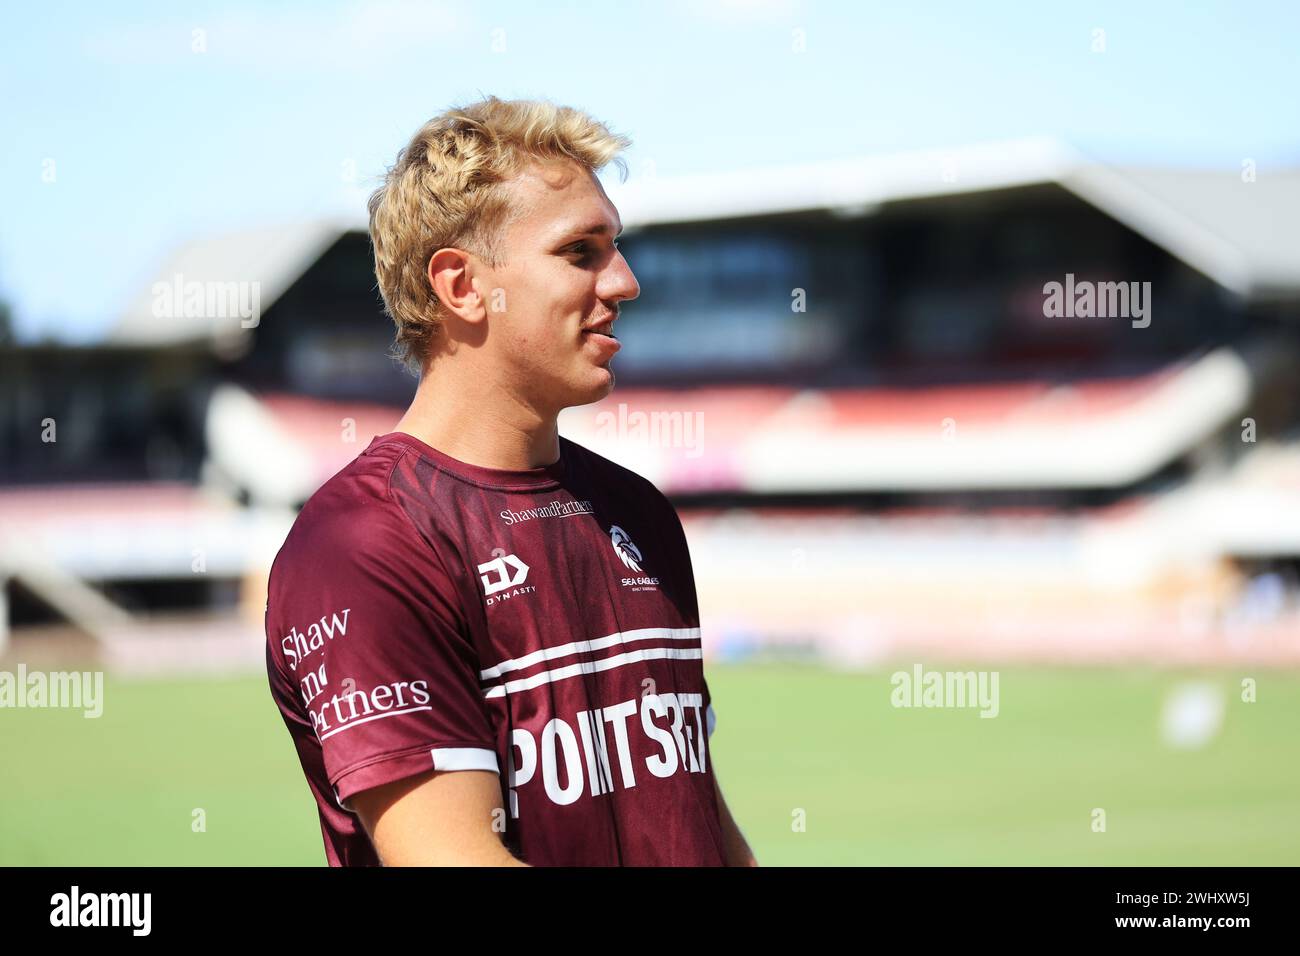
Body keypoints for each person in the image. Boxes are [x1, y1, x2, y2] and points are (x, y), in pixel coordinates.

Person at [265, 95, 756, 866]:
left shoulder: (640, 513)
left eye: (615, 247)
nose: (624, 282)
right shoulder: (362, 545)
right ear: (462, 287)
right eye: (581, 252)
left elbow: (698, 816)